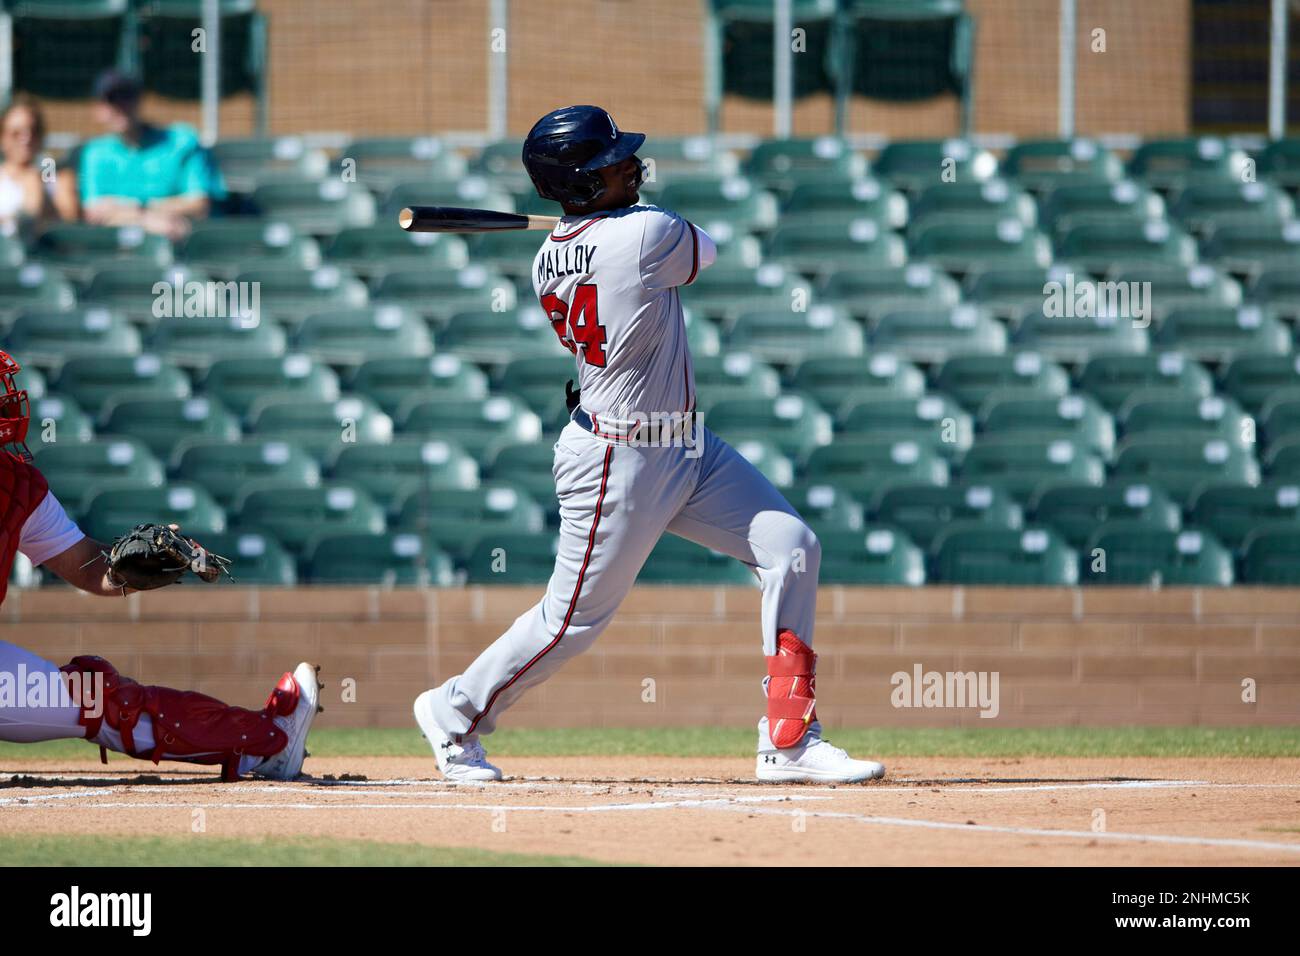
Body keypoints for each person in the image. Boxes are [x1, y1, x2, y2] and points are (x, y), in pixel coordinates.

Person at [414, 105, 886, 784]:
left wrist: (597, 215)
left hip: (688, 447)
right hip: (617, 459)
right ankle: (452, 711)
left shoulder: (551, 258)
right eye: (610, 161)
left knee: (792, 548)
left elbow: (627, 246)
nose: (631, 163)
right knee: (570, 622)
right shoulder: (646, 234)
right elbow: (708, 248)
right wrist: (614, 221)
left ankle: (789, 740)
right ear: (577, 185)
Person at [0, 349, 318, 781]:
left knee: (100, 697)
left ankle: (265, 744)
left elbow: (87, 567)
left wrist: (126, 567)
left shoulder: (14, 486)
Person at [76, 71, 226, 241]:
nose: (120, 106)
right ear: (99, 109)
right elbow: (95, 213)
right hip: (120, 249)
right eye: (112, 99)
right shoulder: (95, 153)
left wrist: (129, 210)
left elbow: (199, 204)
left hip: (182, 245)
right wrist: (147, 219)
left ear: (139, 99)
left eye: (126, 96)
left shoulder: (181, 141)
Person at [0, 94, 76, 233]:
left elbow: (70, 219)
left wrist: (40, 190)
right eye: (16, 133)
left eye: (33, 131)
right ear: (3, 138)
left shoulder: (54, 173)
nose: (26, 139)